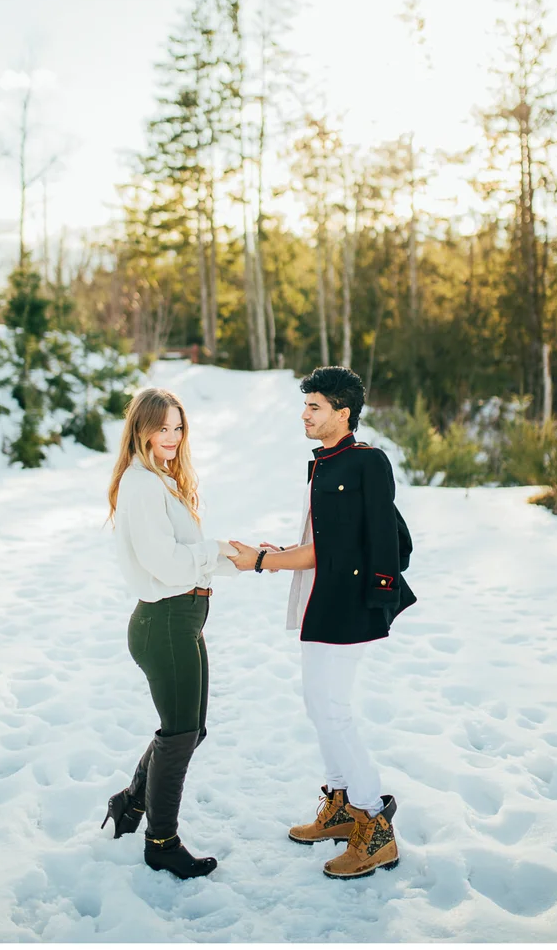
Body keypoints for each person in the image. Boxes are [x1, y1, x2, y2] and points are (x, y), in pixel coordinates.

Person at [226, 365, 416, 880]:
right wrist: (281, 551)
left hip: (349, 605)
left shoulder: (366, 463)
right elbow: (322, 542)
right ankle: (340, 805)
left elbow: (350, 547)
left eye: (314, 407)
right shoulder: (325, 464)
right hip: (321, 600)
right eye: (305, 405)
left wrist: (264, 562)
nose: (304, 415)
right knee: (318, 706)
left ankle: (375, 826)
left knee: (333, 710)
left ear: (342, 412)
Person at [101, 386, 240, 879]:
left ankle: (131, 801)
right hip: (163, 623)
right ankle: (161, 842)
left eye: (179, 428)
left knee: (189, 730)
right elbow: (165, 563)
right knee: (180, 733)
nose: (173, 437)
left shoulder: (159, 480)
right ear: (141, 429)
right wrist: (216, 549)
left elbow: (189, 559)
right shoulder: (141, 486)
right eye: (163, 428)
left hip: (182, 621)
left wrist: (241, 559)